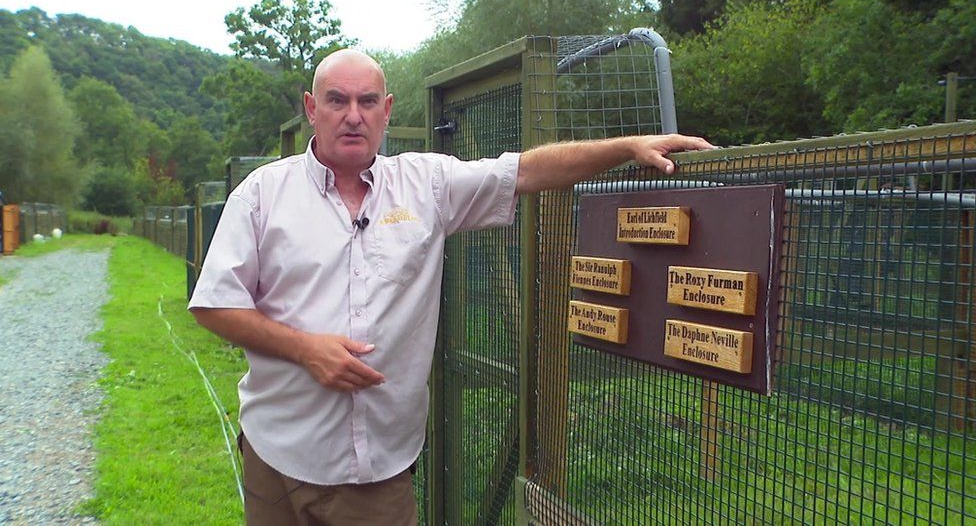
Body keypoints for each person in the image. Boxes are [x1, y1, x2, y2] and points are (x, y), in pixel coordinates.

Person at [189, 49, 714, 525]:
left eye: (368, 101)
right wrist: (306, 350)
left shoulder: (427, 185)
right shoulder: (261, 195)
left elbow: (526, 172)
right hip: (278, 455)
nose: (354, 115)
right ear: (311, 107)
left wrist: (628, 146)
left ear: (387, 109)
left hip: (379, 472)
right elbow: (215, 304)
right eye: (337, 100)